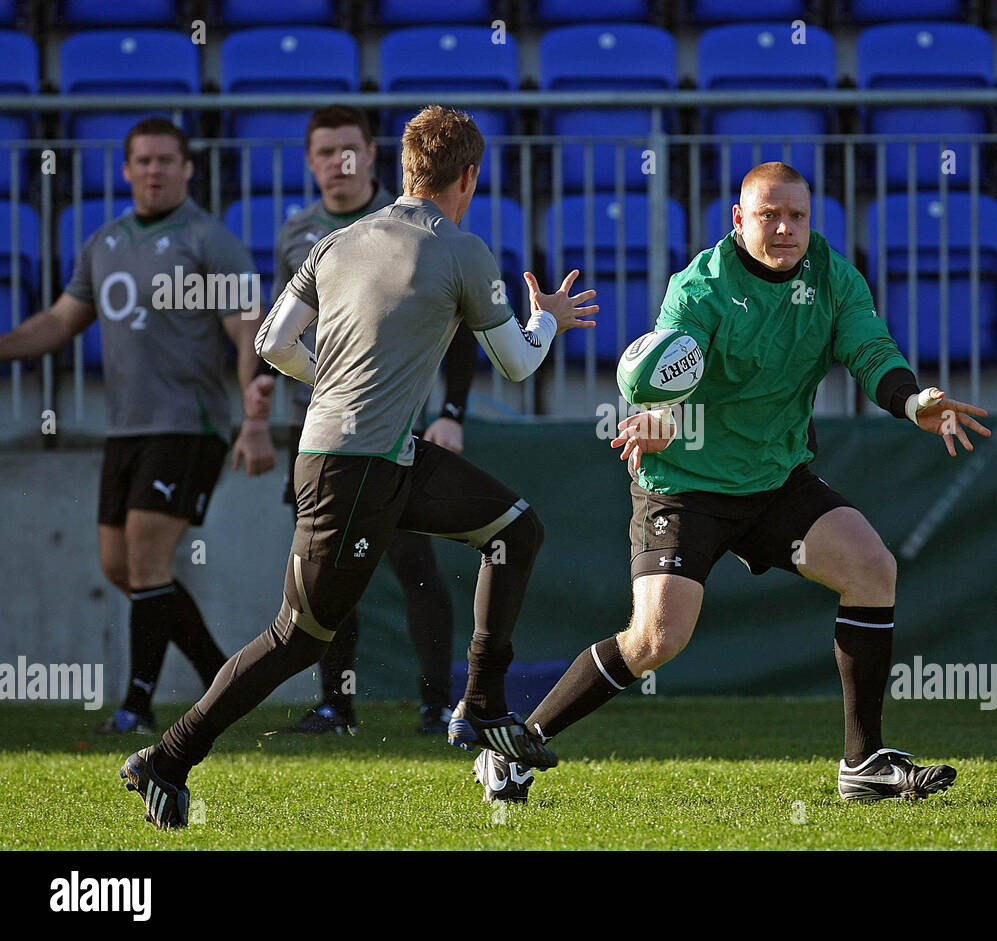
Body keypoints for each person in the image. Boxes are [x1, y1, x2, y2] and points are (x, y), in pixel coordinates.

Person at [119, 105, 596, 829]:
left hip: (376, 453)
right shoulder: (463, 248)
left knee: (514, 530)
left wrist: (337, 382)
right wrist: (549, 319)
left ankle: (483, 704)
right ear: (470, 176)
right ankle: (169, 757)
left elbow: (277, 344)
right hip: (353, 469)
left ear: (404, 169)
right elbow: (519, 362)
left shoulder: (337, 242)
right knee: (295, 637)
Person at [473, 161, 992, 805]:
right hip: (686, 485)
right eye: (768, 215)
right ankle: (516, 749)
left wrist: (916, 403)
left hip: (777, 480)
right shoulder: (701, 286)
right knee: (656, 640)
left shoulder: (834, 275)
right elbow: (672, 365)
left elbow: (870, 350)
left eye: (797, 216)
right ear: (738, 220)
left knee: (871, 567)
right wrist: (658, 419)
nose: (784, 229)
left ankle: (864, 763)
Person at [0, 117, 275, 735]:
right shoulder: (104, 243)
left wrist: (253, 412)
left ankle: (136, 708)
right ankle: (226, 681)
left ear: (187, 168)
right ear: (125, 171)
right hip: (124, 431)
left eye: (165, 160)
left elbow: (245, 328)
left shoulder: (209, 239)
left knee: (149, 560)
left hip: (188, 425)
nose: (154, 170)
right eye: (143, 161)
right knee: (119, 567)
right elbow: (60, 322)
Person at [243, 105, 475, 736]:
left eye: (349, 150)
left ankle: (437, 704)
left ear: (373, 157)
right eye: (325, 152)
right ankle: (334, 706)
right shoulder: (301, 233)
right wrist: (259, 404)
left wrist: (452, 412)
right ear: (311, 161)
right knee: (324, 580)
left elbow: (462, 330)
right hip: (315, 429)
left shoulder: (419, 228)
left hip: (394, 431)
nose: (338, 164)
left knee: (414, 569)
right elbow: (277, 329)